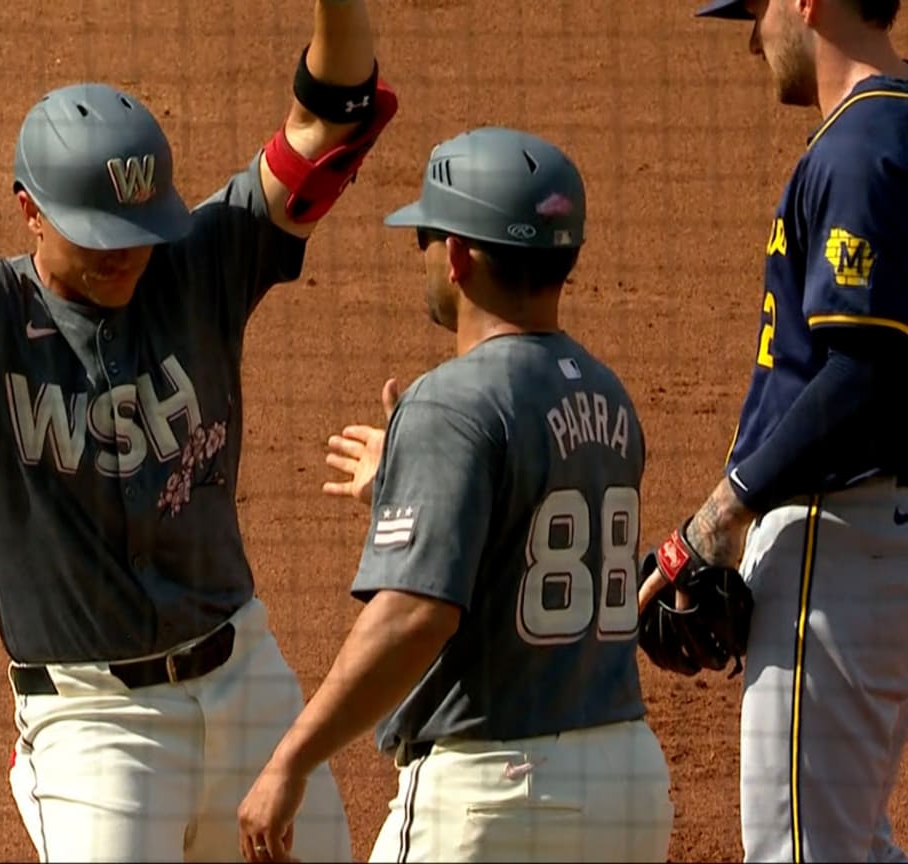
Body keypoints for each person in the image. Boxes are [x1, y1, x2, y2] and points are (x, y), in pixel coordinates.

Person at [0, 1, 401, 860]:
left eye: (139, 232)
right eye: (97, 236)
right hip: (95, 722)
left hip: (245, 682)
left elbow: (330, 116)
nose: (124, 256)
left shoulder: (199, 262)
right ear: (29, 210)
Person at [235, 126, 676, 863]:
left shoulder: (452, 403)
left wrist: (291, 760)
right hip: (626, 784)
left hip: (497, 798)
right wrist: (414, 480)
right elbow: (528, 536)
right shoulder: (609, 397)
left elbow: (415, 616)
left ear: (459, 254)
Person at [636, 2, 908, 860]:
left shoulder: (861, 149)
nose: (751, 36)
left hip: (839, 535)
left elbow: (859, 375)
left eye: (756, 10)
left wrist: (715, 521)